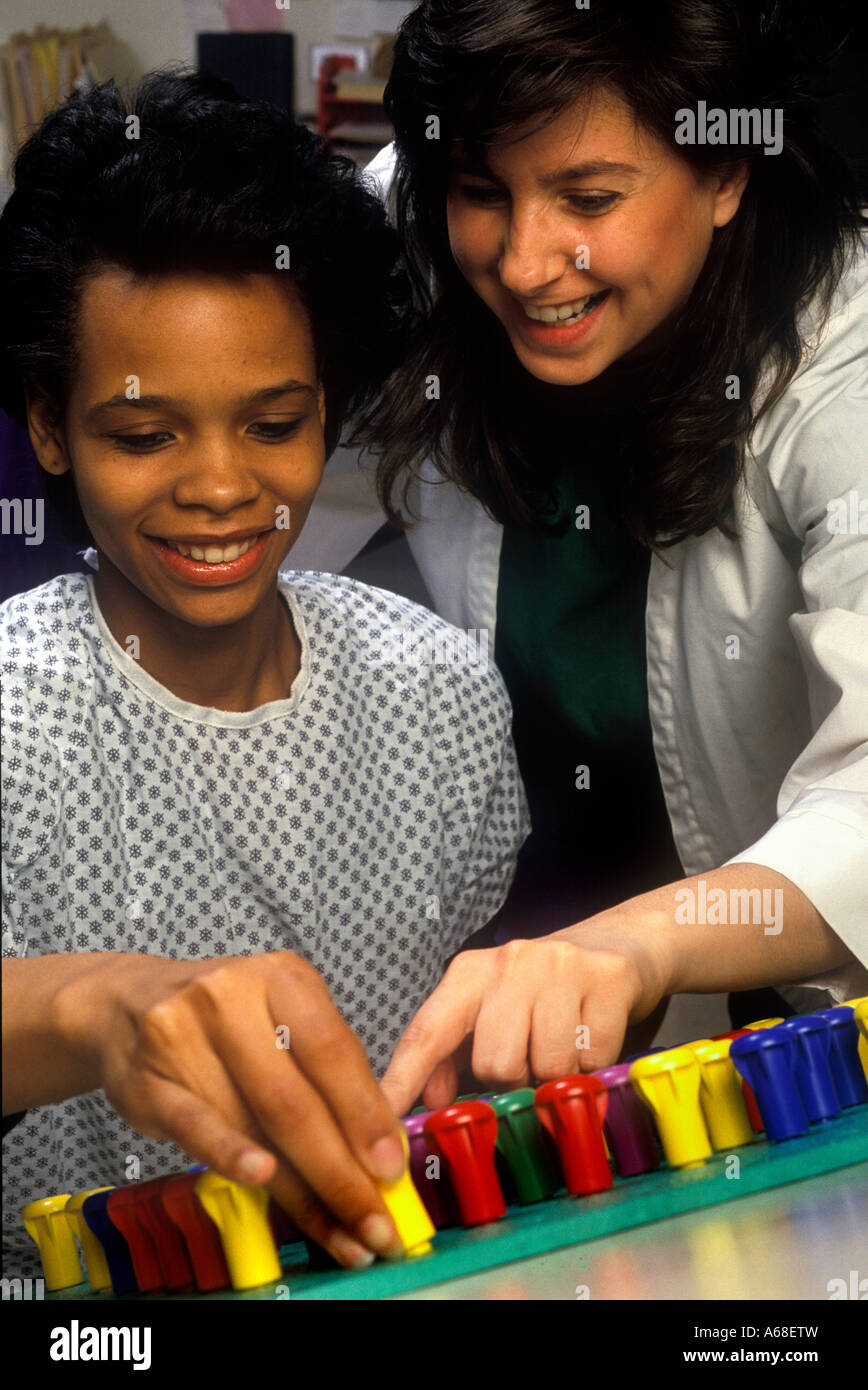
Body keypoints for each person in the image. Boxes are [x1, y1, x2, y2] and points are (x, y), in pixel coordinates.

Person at [288, 0, 868, 1117]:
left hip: (798, 1030)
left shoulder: (844, 353)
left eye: (591, 200)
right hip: (518, 994)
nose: (523, 260)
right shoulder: (418, 223)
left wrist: (638, 943)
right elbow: (252, 469)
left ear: (724, 174)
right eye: (482, 196)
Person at [0, 71, 530, 1276]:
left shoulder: (435, 691)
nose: (223, 487)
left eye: (274, 423)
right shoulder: (11, 717)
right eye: (144, 435)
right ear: (46, 421)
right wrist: (97, 1008)